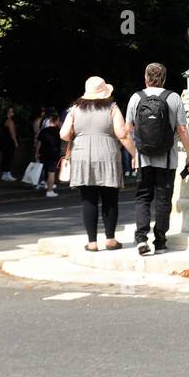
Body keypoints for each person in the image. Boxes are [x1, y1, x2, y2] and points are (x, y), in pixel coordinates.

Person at [126, 62, 189, 255]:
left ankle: (141, 238)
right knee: (163, 199)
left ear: (146, 78)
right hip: (167, 159)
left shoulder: (136, 98)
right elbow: (182, 130)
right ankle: (160, 241)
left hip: (144, 158)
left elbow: (128, 130)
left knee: (143, 197)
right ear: (164, 79)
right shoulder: (173, 98)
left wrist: (134, 154)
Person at [60, 77, 133, 250]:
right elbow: (122, 134)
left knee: (88, 200)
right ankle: (110, 239)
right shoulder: (112, 108)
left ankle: (92, 242)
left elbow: (63, 134)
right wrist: (135, 154)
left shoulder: (75, 109)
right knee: (110, 199)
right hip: (107, 155)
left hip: (82, 156)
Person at [37, 109, 62, 198]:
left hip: (43, 153)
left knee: (44, 171)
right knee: (51, 173)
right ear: (56, 121)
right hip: (53, 154)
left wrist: (37, 152)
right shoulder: (59, 131)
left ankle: (43, 184)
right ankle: (50, 190)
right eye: (59, 120)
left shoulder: (44, 131)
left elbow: (39, 142)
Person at [0, 107, 19, 181]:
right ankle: (7, 173)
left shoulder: (4, 120)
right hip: (9, 142)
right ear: (8, 113)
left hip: (4, 141)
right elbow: (12, 132)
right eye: (11, 111)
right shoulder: (9, 121)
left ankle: (5, 174)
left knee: (5, 157)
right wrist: (15, 141)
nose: (13, 112)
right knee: (8, 157)